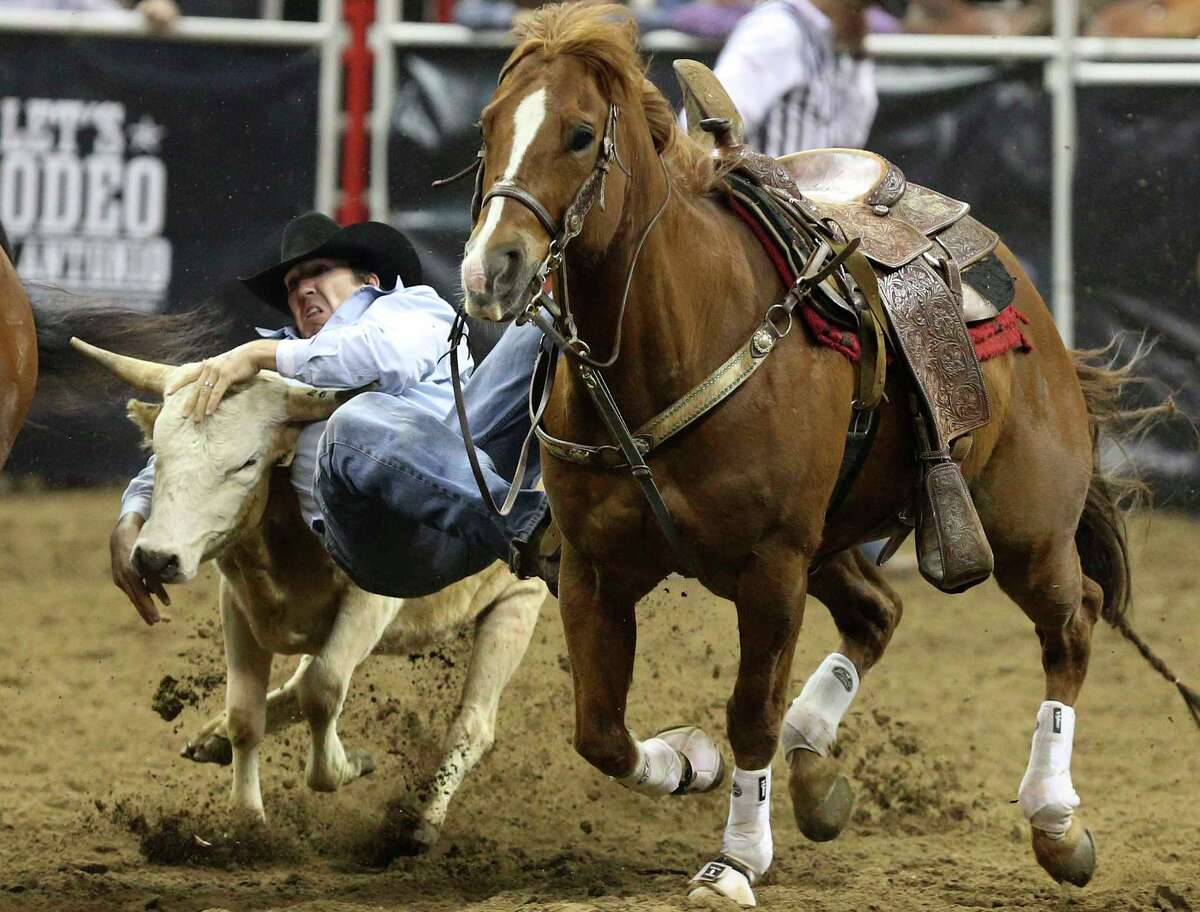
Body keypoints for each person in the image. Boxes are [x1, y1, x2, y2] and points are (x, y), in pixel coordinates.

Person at [110, 211, 555, 624]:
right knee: (351, 424)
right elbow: (200, 448)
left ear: (371, 281)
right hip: (379, 540)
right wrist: (132, 514)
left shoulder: (411, 309)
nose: (301, 289)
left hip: (474, 491)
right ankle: (542, 535)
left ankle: (618, 475)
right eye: (291, 284)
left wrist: (262, 352)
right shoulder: (275, 373)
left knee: (546, 324)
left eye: (318, 271)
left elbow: (385, 357)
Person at [711, 0, 886, 158]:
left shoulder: (820, 34)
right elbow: (709, 121)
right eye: (856, 7)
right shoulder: (777, 28)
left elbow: (849, 139)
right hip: (764, 189)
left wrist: (857, 57)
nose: (861, 16)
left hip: (811, 188)